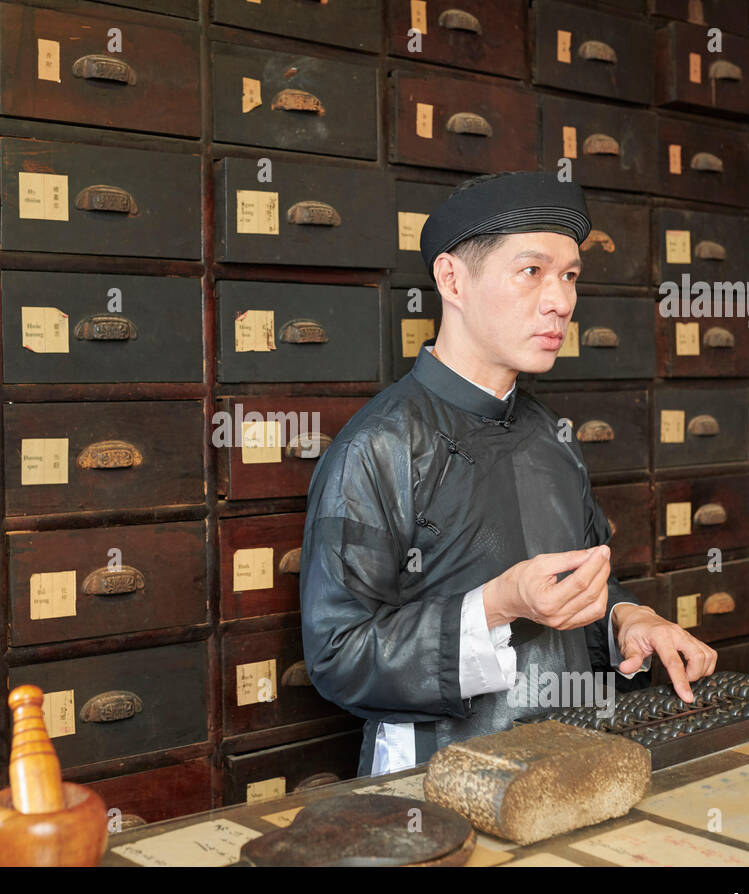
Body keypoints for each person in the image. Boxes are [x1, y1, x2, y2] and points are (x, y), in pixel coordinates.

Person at [299, 171, 718, 777]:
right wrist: (495, 606)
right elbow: (338, 657)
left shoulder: (553, 436)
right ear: (452, 279)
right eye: (532, 272)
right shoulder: (379, 445)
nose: (561, 300)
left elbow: (580, 588)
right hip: (438, 782)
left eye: (570, 275)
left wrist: (632, 619)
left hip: (574, 761)